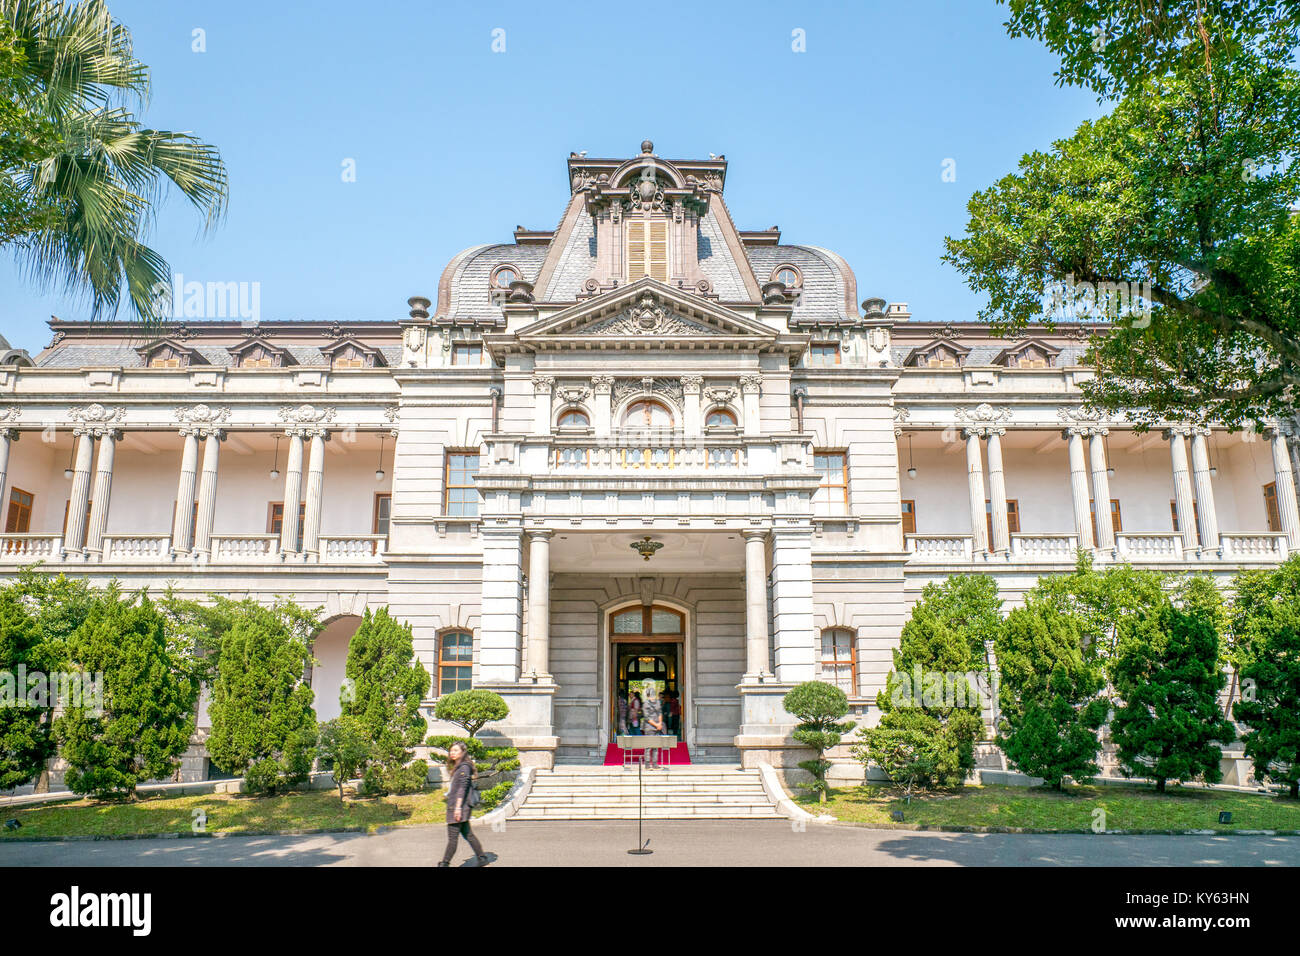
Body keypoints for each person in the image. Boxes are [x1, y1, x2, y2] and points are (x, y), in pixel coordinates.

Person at [439, 741, 489, 867]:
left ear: (463, 752)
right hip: (459, 807)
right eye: (451, 750)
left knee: (452, 839)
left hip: (458, 808)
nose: (452, 753)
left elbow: (463, 787)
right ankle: (482, 859)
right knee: (468, 835)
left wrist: (457, 808)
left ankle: (444, 863)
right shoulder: (460, 767)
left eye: (456, 750)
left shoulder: (464, 767)